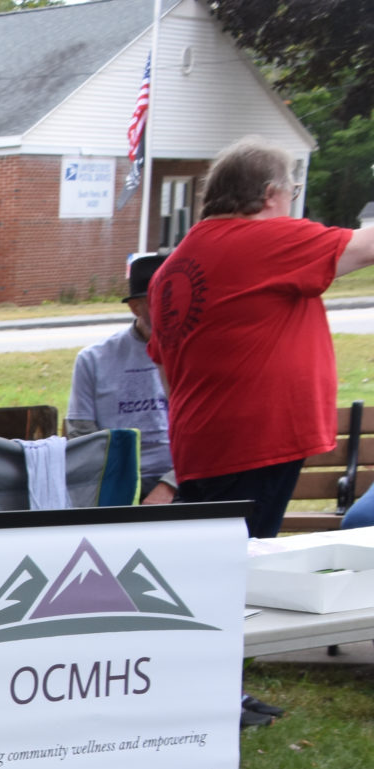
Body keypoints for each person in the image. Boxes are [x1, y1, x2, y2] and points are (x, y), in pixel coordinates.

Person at [147, 137, 374, 537]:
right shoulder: (266, 240)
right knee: (241, 565)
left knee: (216, 558)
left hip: (199, 445)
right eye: (293, 193)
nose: (292, 204)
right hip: (254, 443)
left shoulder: (171, 269)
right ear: (270, 194)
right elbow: (368, 246)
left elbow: (168, 371)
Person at [67, 252, 174, 504]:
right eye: (160, 299)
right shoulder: (93, 359)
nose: (171, 306)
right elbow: (82, 437)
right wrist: (120, 487)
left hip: (184, 485)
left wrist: (169, 486)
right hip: (111, 485)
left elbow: (207, 437)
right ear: (135, 306)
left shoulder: (196, 354)